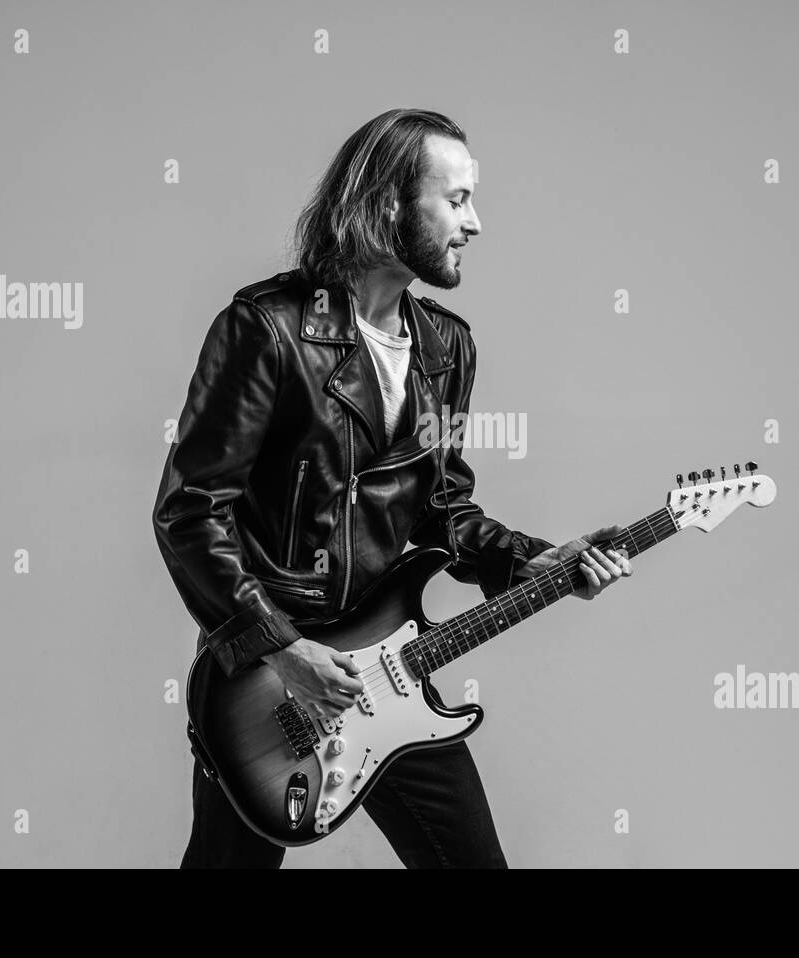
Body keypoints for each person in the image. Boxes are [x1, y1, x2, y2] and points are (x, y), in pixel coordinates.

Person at [152, 108, 632, 868]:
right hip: (267, 685)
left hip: (390, 673)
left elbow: (442, 507)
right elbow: (190, 512)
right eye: (457, 199)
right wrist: (284, 650)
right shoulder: (267, 330)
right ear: (387, 205)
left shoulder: (447, 348)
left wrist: (528, 562)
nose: (475, 223)